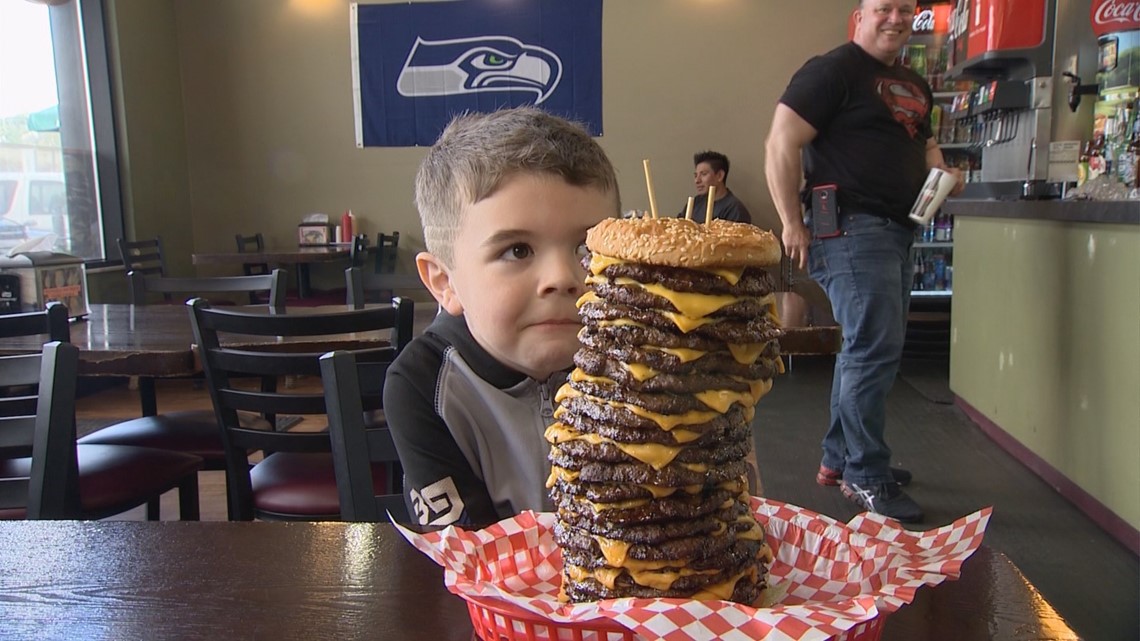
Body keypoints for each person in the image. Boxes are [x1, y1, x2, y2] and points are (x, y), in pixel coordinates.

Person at [763, 0, 964, 523]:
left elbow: (925, 144)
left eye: (904, 9)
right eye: (883, 8)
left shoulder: (915, 84)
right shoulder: (833, 70)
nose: (895, 18)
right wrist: (790, 221)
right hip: (849, 227)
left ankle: (840, 458)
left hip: (897, 229)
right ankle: (865, 473)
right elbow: (781, 141)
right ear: (861, 15)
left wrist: (940, 169)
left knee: (870, 346)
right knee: (873, 348)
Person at [382, 107, 621, 528]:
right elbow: (473, 552)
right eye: (517, 251)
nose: (564, 278)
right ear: (444, 283)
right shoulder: (423, 385)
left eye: (587, 250)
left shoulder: (635, 362)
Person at [677, 151, 753, 224]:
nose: (697, 180)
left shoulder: (735, 210)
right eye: (696, 175)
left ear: (720, 176)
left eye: (703, 174)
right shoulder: (695, 202)